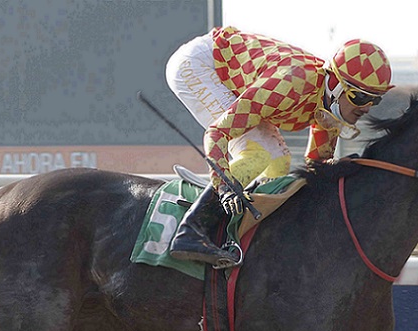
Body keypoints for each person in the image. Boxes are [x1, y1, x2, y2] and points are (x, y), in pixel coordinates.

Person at [165, 26, 393, 268]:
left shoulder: (328, 108)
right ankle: (191, 229)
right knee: (259, 153)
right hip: (199, 64)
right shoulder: (291, 85)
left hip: (228, 67)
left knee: (279, 160)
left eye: (374, 99)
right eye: (360, 97)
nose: (366, 107)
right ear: (335, 85)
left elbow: (316, 170)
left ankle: (248, 233)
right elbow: (218, 132)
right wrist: (224, 187)